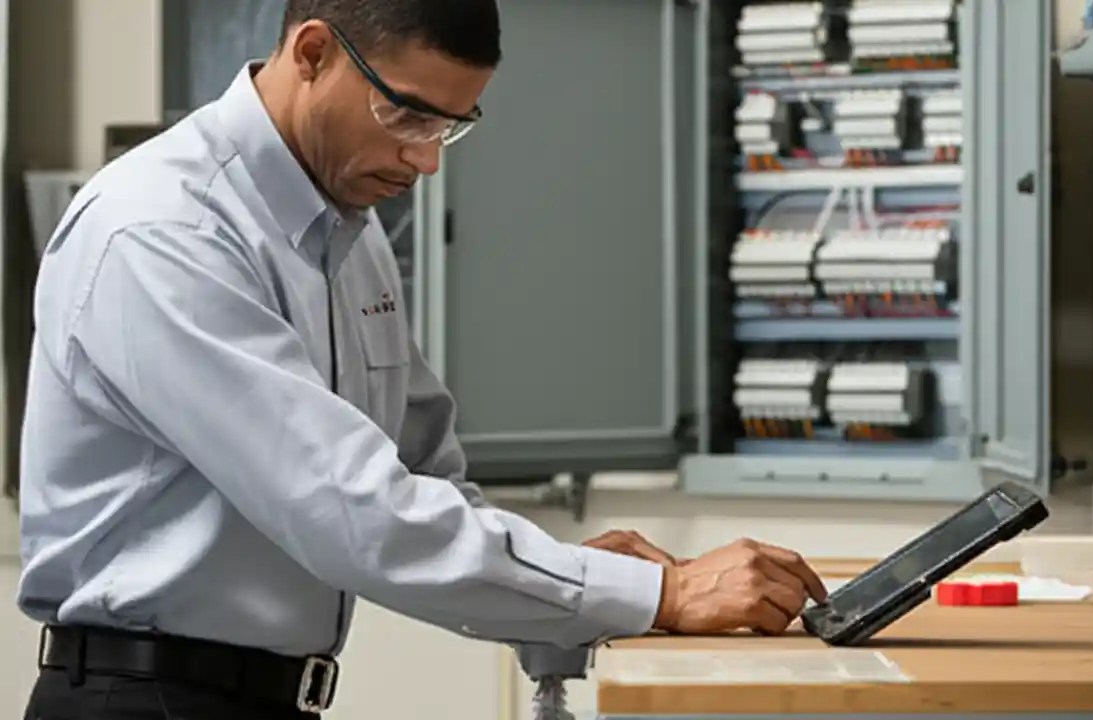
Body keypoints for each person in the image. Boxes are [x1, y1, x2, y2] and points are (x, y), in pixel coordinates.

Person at [16, 1, 828, 718]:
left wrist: (574, 578)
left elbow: (421, 476)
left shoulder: (346, 228)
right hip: (141, 699)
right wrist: (663, 594)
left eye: (450, 125)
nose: (427, 159)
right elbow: (346, 507)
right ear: (311, 54)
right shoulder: (163, 232)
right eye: (406, 114)